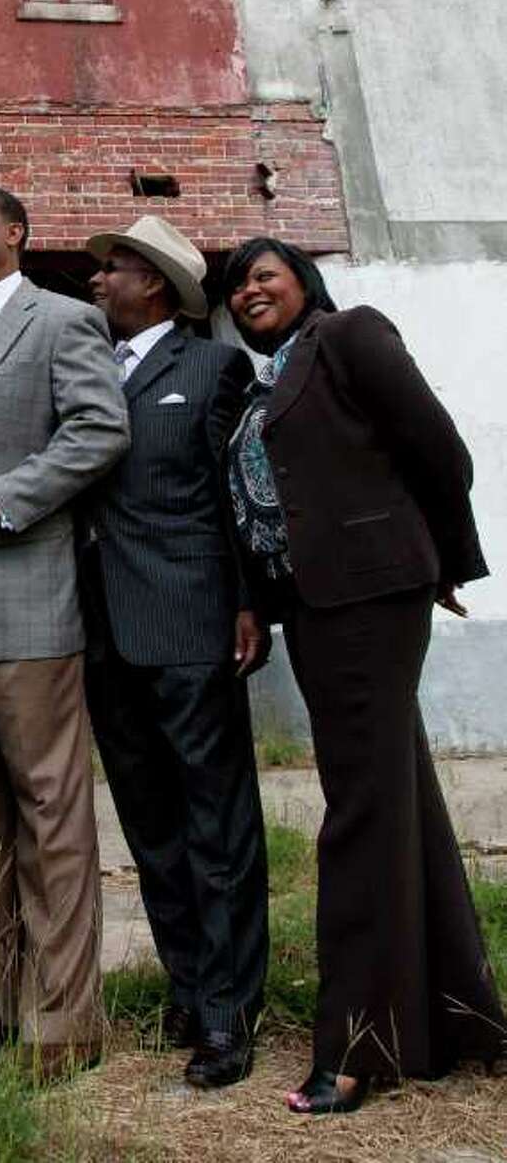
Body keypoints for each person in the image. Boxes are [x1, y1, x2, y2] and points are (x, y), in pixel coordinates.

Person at [222, 236, 505, 1113]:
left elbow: (440, 448)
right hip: (315, 607)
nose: (247, 290)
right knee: (398, 798)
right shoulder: (260, 385)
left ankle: (360, 1043)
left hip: (372, 594)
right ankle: (462, 1018)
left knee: (361, 811)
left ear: (305, 282)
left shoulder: (349, 336)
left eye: (264, 273)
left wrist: (445, 562)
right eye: (234, 286)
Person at [0, 183, 130, 1083]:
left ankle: (66, 1020)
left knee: (53, 818)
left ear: (17, 233)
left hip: (34, 603)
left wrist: (0, 496)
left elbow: (99, 429)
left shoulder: (65, 319)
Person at [80, 216, 269, 1089]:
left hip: (192, 624)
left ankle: (233, 1008)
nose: (96, 281)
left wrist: (247, 600)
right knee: (151, 826)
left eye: (110, 268)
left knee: (214, 825)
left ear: (153, 284)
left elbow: (238, 494)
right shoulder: (85, 369)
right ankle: (188, 984)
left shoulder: (213, 366)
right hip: (104, 636)